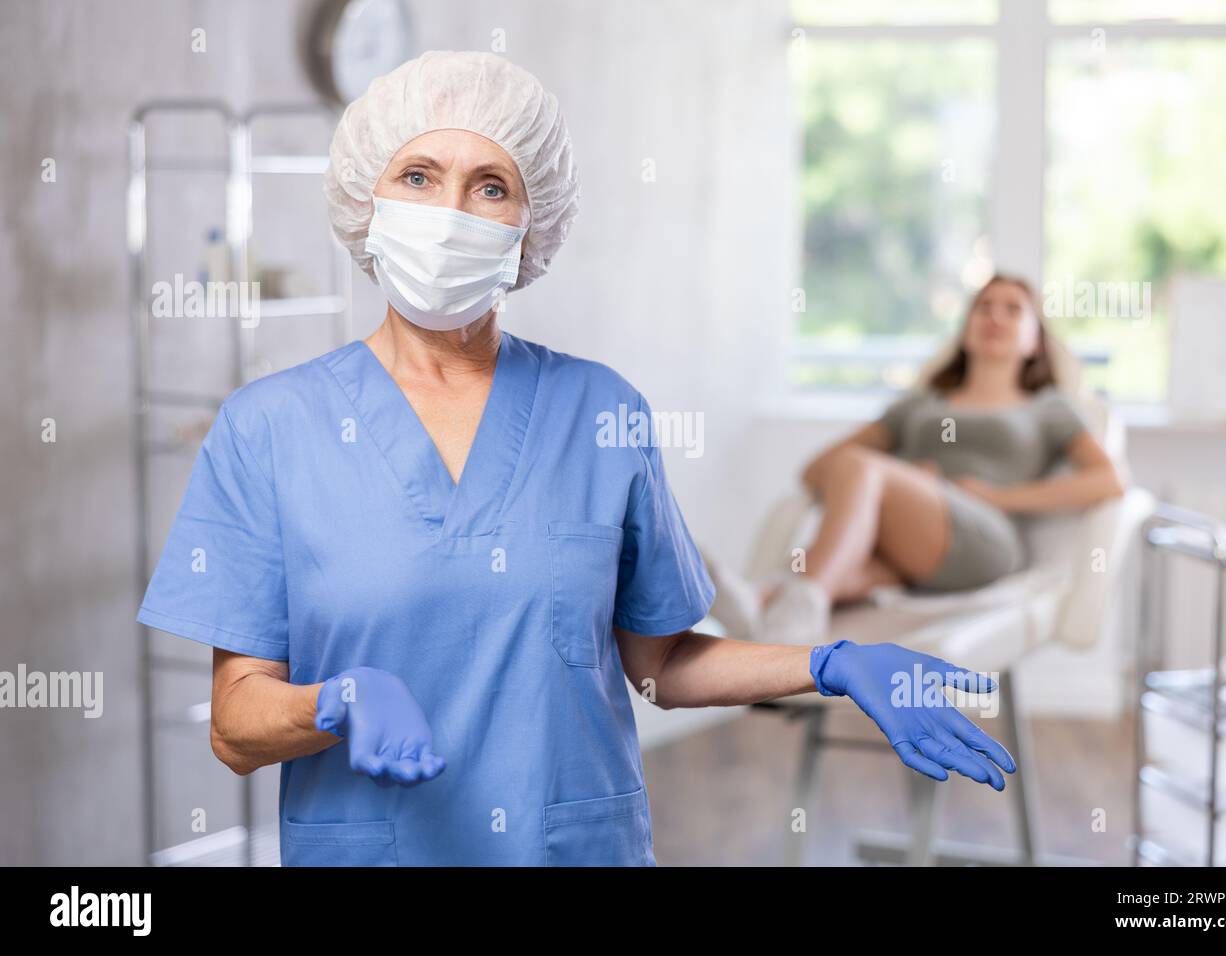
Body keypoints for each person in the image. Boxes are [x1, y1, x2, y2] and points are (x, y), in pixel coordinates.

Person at [137, 51, 1015, 867]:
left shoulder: (604, 413)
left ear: (532, 223)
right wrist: (335, 703)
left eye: (489, 186)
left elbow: (660, 665)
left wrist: (830, 664)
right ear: (368, 203)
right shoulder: (269, 428)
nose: (448, 213)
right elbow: (235, 723)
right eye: (418, 177)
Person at [708, 274, 1126, 645]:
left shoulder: (1047, 407)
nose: (995, 317)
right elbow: (817, 470)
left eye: (1013, 310)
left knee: (861, 466)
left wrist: (1000, 496)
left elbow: (1109, 481)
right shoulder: (920, 405)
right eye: (983, 307)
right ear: (964, 331)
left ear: (1035, 340)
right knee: (859, 489)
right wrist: (901, 482)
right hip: (911, 550)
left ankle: (795, 595)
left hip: (984, 538)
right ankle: (760, 601)